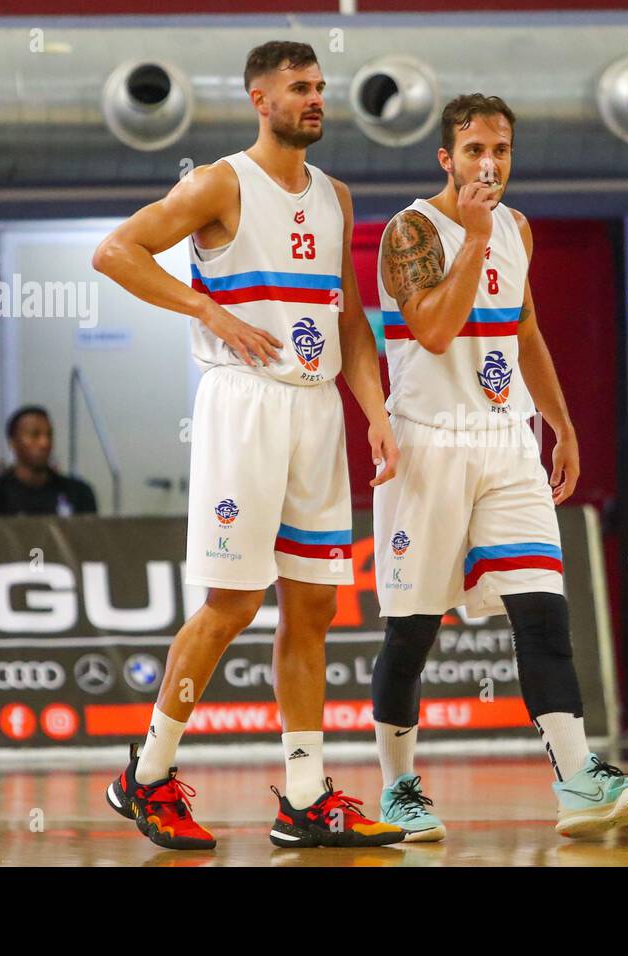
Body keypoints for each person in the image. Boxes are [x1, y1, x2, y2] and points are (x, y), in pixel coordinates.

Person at [92, 40, 403, 850]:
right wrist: (207, 309)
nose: (316, 99)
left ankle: (305, 797)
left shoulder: (336, 193)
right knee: (232, 605)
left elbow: (350, 320)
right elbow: (116, 251)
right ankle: (146, 774)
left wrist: (375, 411)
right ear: (260, 100)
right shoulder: (219, 182)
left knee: (313, 607)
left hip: (317, 411)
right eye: (300, 88)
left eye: (320, 87)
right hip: (245, 407)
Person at [369, 93, 628, 841]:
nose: (490, 164)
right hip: (429, 444)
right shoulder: (410, 230)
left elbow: (526, 327)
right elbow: (437, 332)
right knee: (411, 634)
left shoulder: (521, 229)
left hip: (508, 441)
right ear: (446, 158)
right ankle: (398, 788)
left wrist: (561, 422)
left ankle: (578, 780)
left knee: (542, 612)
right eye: (474, 150)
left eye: (501, 150)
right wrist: (471, 239)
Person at [0, 406, 97, 517]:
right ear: (12, 443)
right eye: (34, 435)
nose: (45, 443)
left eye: (49, 435)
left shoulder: (78, 493)